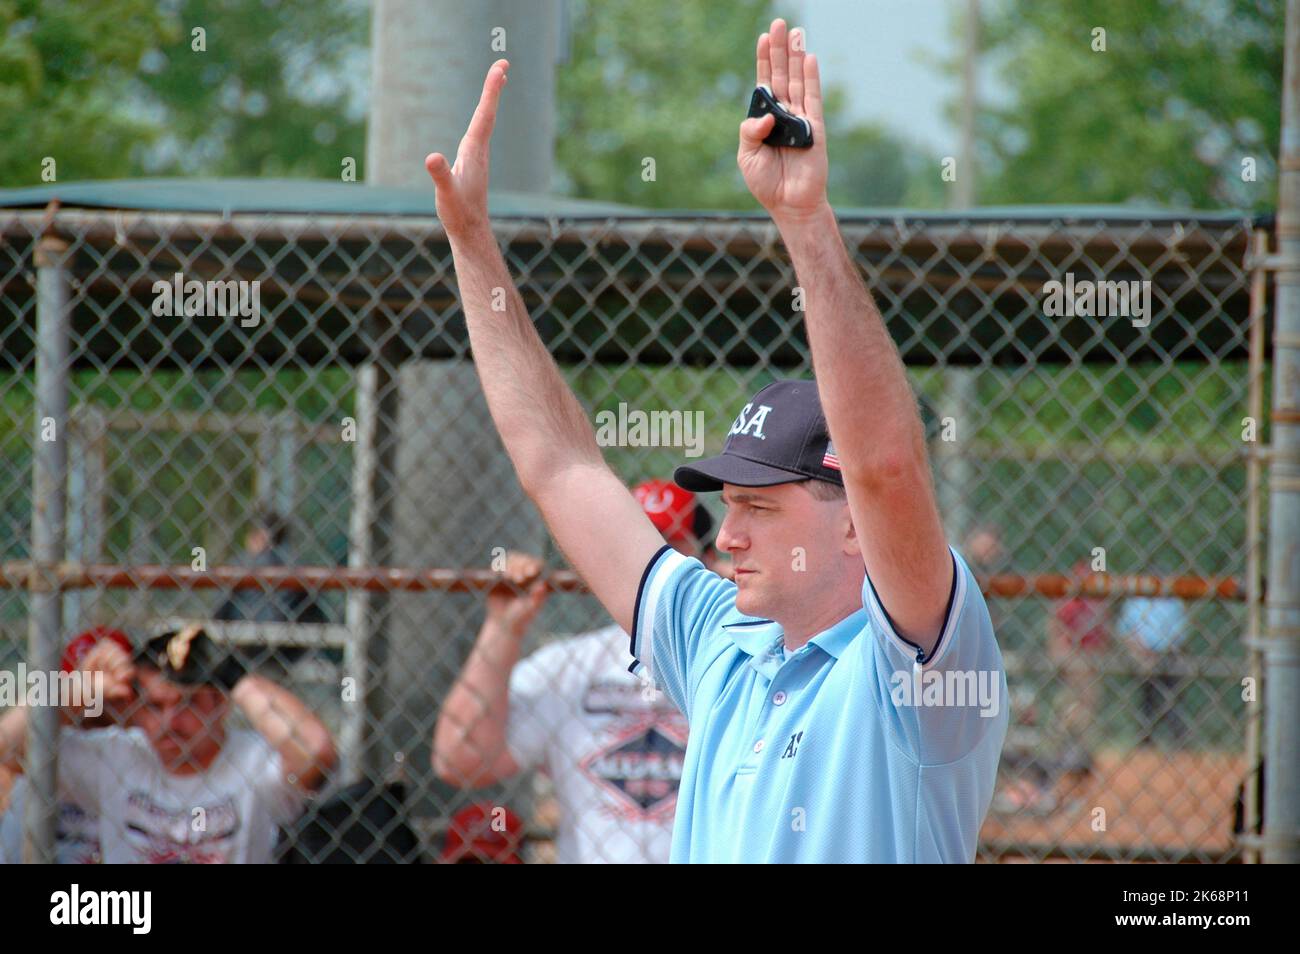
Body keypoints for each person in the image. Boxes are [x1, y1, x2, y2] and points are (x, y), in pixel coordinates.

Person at [423, 18, 1008, 862]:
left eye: (760, 508)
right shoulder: (724, 644)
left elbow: (881, 466)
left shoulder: (916, 668)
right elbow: (560, 467)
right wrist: (473, 247)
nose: (726, 536)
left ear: (852, 525)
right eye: (730, 504)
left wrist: (805, 222)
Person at [433, 480, 716, 864]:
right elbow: (460, 759)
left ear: (709, 559)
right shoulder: (571, 665)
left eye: (669, 545)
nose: (650, 563)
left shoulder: (737, 660)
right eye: (640, 546)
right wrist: (503, 628)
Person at [0, 625, 337, 863]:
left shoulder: (252, 761)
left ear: (221, 704)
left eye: (189, 703)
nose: (170, 723)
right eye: (154, 706)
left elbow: (316, 752)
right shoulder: (118, 754)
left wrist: (237, 678)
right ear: (134, 707)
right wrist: (80, 691)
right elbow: (7, 748)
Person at [0, 627, 134, 864]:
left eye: (108, 697)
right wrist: (78, 691)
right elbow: (4, 742)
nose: (96, 707)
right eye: (90, 696)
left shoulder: (143, 753)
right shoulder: (40, 747)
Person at [1047, 560, 1110, 785]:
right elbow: (1056, 626)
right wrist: (1062, 656)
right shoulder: (1072, 602)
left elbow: (1104, 631)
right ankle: (1065, 755)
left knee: (1086, 708)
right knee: (1073, 707)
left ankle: (1080, 759)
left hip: (1091, 657)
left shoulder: (1097, 602)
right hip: (1074, 655)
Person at [1117, 595, 1189, 746]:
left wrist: (1163, 652)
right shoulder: (1135, 601)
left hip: (1169, 655)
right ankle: (1146, 741)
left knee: (1172, 698)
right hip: (1142, 655)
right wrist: (1142, 650)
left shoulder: (1173, 602)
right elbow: (1125, 630)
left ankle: (1179, 740)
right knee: (1147, 700)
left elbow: (1180, 632)